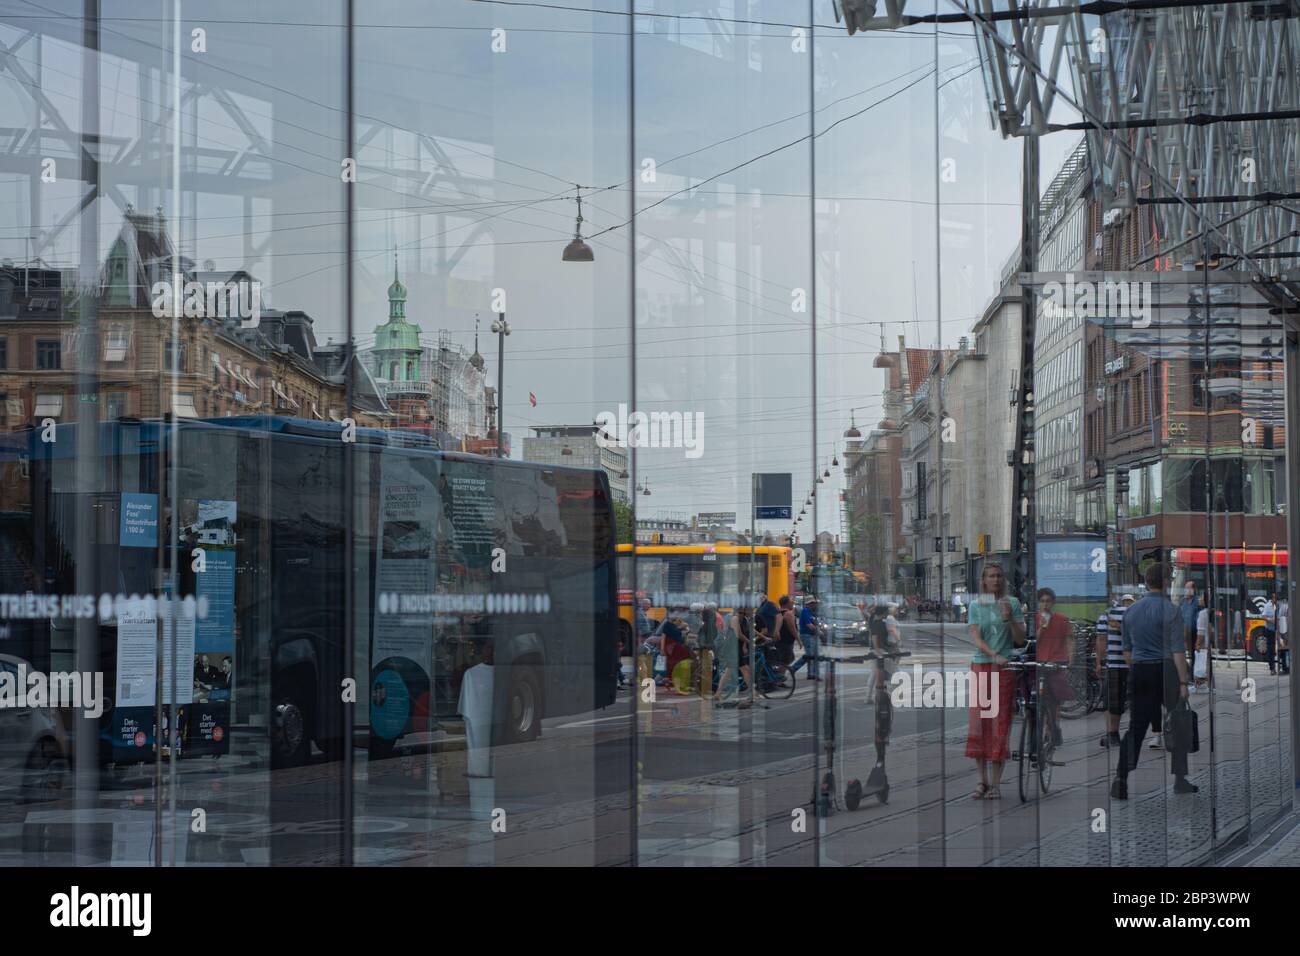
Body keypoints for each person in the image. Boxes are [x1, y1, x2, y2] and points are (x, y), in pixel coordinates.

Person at [1111, 562, 1197, 799]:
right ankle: (1180, 779)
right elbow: (1178, 651)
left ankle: (1121, 778)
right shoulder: (1171, 611)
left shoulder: (1130, 612)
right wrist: (1182, 683)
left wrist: (1139, 669)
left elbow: (1127, 652)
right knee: (1178, 724)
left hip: (1139, 671)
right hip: (1167, 670)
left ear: (1147, 583)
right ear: (1166, 583)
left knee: (1136, 728)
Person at [965, 564, 1025, 800]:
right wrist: (993, 655)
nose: (996, 580)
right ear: (984, 580)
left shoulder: (1013, 603)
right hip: (982, 665)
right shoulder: (976, 605)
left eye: (1000, 575)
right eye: (992, 576)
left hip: (1004, 670)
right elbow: (976, 638)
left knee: (1000, 723)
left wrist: (1010, 619)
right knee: (979, 723)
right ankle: (982, 781)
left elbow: (1020, 639)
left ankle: (997, 784)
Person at [1033, 588, 1074, 747]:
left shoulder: (1062, 619)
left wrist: (1071, 656)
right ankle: (1045, 728)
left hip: (1057, 662)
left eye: (1048, 601)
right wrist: (1041, 628)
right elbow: (1032, 641)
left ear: (1053, 603)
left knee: (1055, 701)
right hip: (1039, 662)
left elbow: (1069, 639)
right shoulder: (1035, 619)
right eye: (1042, 601)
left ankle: (1053, 728)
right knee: (1040, 700)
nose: (1045, 604)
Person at [1096, 593, 1136, 748]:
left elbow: (1101, 640)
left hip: (1114, 664)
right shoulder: (1130, 612)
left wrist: (1099, 663)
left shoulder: (1105, 615)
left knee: (1111, 701)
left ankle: (1113, 734)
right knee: (1127, 700)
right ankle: (1116, 733)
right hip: (1132, 663)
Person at [791, 596, 821, 680]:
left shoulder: (813, 612)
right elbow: (809, 625)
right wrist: (819, 631)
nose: (816, 605)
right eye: (814, 603)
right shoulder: (805, 611)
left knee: (814, 655)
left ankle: (812, 673)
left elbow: (816, 623)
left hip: (813, 635)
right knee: (810, 655)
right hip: (807, 635)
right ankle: (794, 668)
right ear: (809, 604)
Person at [774, 595, 800, 668]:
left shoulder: (778, 612)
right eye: (791, 602)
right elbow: (792, 629)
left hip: (781, 641)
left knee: (785, 660)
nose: (793, 603)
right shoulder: (788, 614)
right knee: (785, 662)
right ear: (787, 603)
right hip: (786, 641)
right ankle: (779, 677)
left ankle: (779, 676)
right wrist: (799, 640)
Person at [1193, 594, 1210, 693]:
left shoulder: (1202, 613)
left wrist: (1197, 644)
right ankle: (1204, 684)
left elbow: (1201, 632)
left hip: (1203, 643)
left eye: (1202, 598)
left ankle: (1200, 685)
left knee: (1200, 664)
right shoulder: (1209, 612)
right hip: (1208, 643)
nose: (1199, 599)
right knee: (1205, 664)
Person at [1262, 593, 1278, 675]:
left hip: (1277, 630)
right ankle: (1272, 668)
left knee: (1278, 649)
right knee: (1271, 649)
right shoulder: (1267, 606)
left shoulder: (1277, 605)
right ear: (1272, 598)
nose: (1276, 600)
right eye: (1275, 598)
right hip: (1269, 630)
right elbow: (1263, 616)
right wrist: (1270, 620)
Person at [1279, 596, 1290, 674]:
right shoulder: (1285, 605)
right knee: (1286, 649)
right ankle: (1286, 667)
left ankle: (1285, 667)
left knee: (1285, 649)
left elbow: (1279, 618)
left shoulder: (1283, 605)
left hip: (1285, 630)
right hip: (1287, 630)